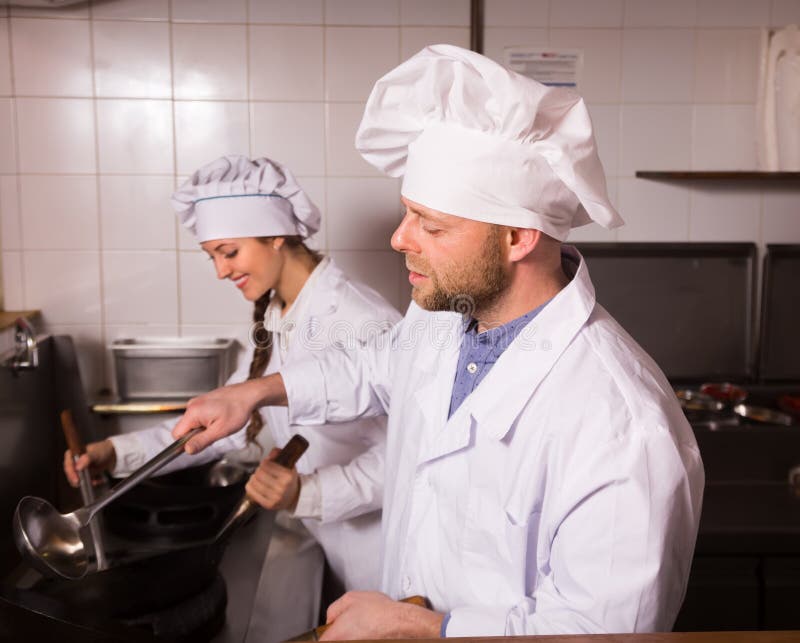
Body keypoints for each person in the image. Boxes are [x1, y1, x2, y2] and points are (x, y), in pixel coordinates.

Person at [170, 46, 705, 638]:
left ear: (520, 237)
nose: (400, 239)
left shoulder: (622, 424)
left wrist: (424, 626)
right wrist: (257, 392)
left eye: (432, 225)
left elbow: (608, 629)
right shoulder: (445, 317)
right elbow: (377, 366)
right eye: (408, 214)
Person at [64, 155, 401, 639]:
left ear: (277, 235)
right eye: (213, 257)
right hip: (332, 544)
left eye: (229, 252)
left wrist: (310, 493)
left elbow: (409, 457)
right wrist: (116, 453)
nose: (221, 271)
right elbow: (228, 423)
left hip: (382, 554)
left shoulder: (359, 319)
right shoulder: (280, 315)